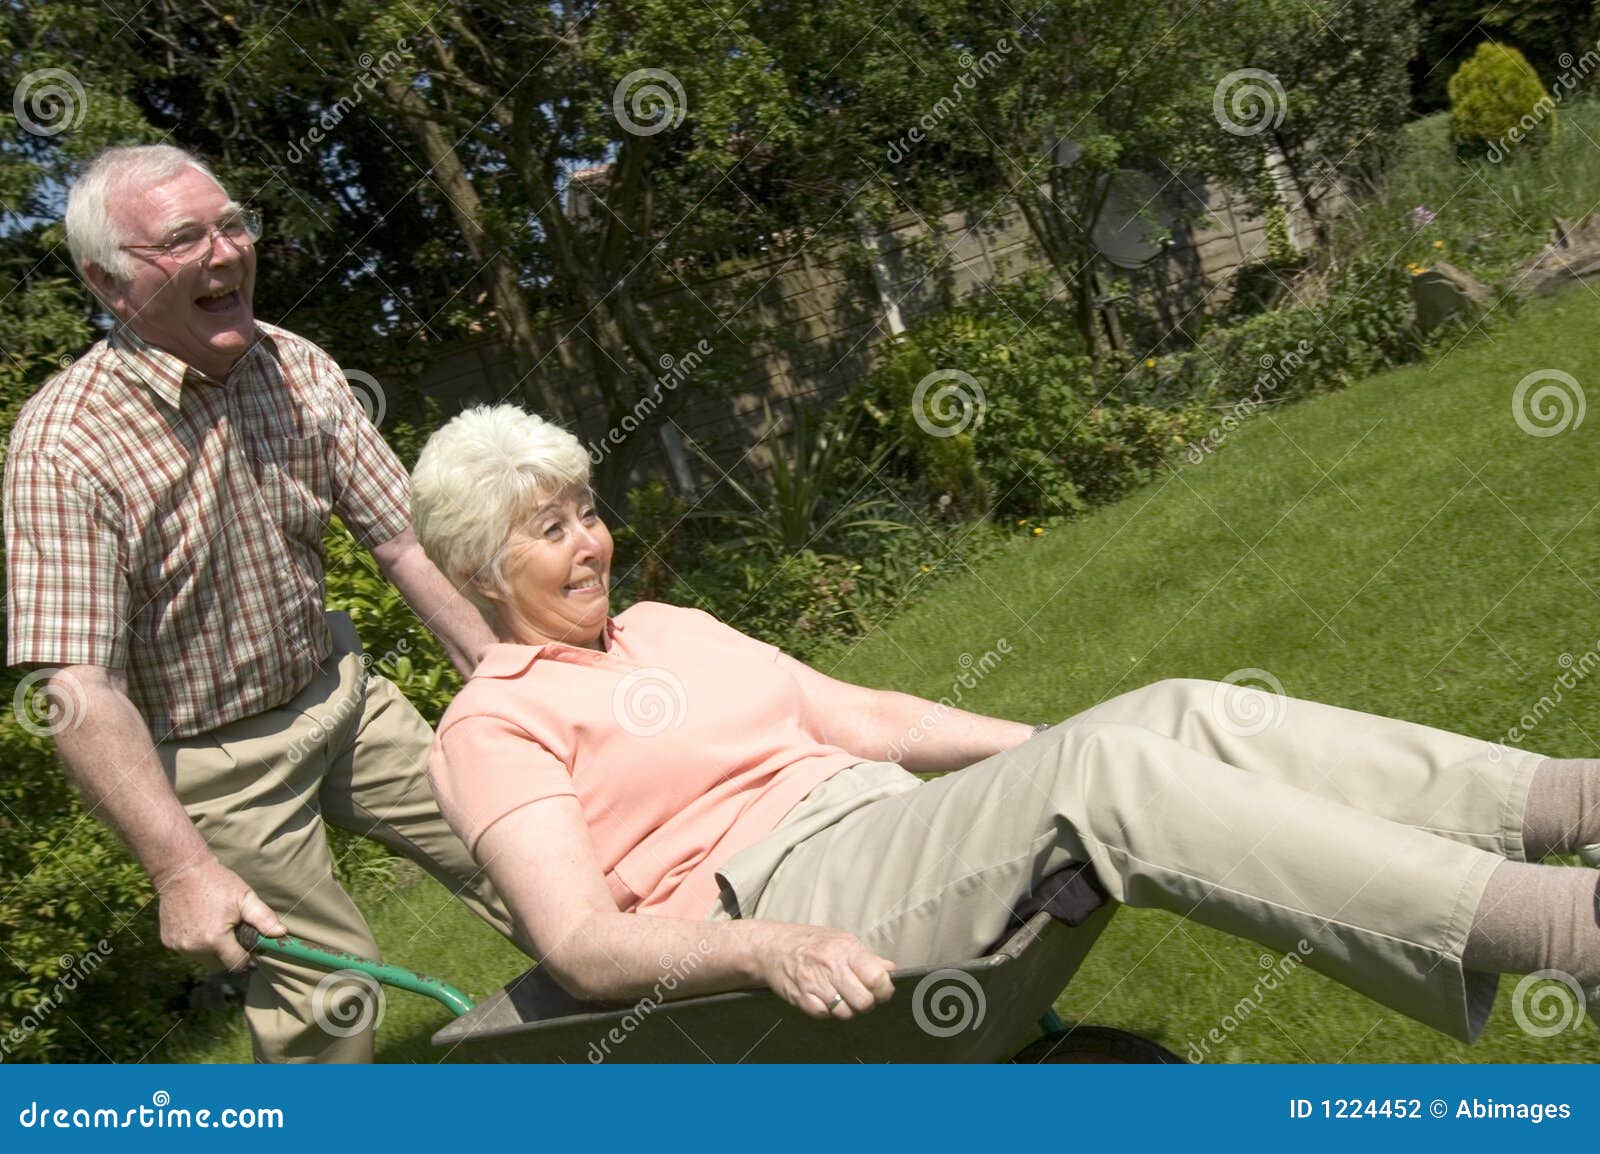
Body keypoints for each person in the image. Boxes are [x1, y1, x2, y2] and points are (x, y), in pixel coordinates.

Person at [412, 401, 1600, 1049]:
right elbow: (575, 941)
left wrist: (1062, 738)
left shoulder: (671, 623)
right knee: (1118, 773)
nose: (588, 542)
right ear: (477, 564)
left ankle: (1573, 801)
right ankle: (1568, 931)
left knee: (1176, 711)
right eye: (547, 528)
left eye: (585, 510)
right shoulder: (492, 723)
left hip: (899, 825)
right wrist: (764, 949)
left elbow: (866, 713)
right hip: (788, 890)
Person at [4, 144, 521, 1062]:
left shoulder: (298, 367)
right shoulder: (62, 446)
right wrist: (180, 869)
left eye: (232, 224)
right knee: (334, 1001)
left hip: (343, 697)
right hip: (212, 763)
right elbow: (77, 685)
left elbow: (402, 541)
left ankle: (670, 1044)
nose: (224, 251)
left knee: (524, 848)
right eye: (183, 238)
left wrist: (507, 680)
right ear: (110, 284)